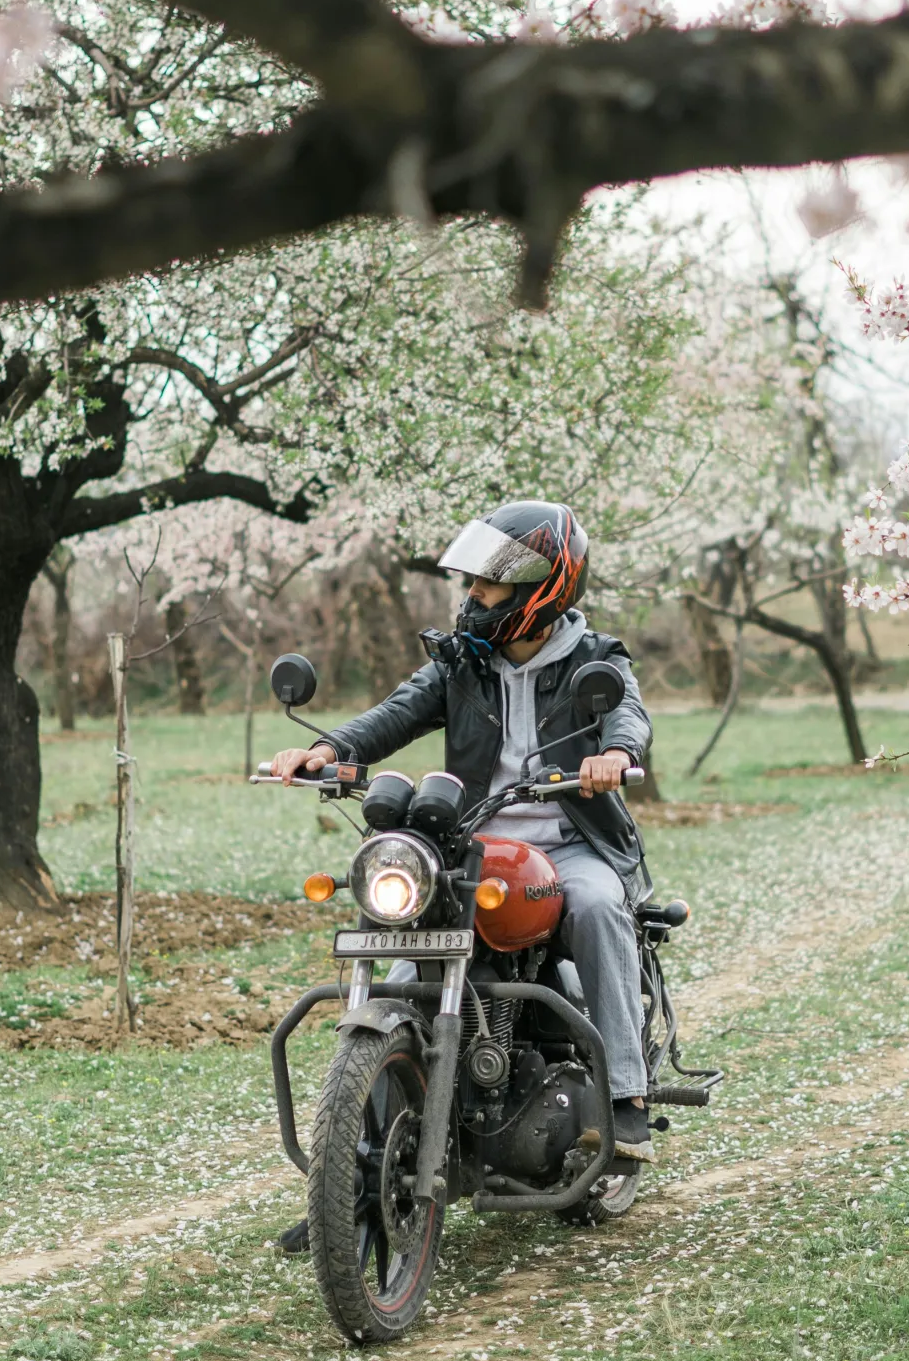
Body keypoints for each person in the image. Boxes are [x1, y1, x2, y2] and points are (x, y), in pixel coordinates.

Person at [270, 501, 655, 1253]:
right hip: (475, 850)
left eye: (486, 585)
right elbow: (396, 712)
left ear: (540, 590)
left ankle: (625, 1098)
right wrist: (329, 749)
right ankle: (347, 1181)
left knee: (602, 911)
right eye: (471, 582)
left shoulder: (596, 662)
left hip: (570, 846)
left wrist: (614, 756)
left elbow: (628, 718)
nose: (471, 596)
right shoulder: (460, 661)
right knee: (410, 963)